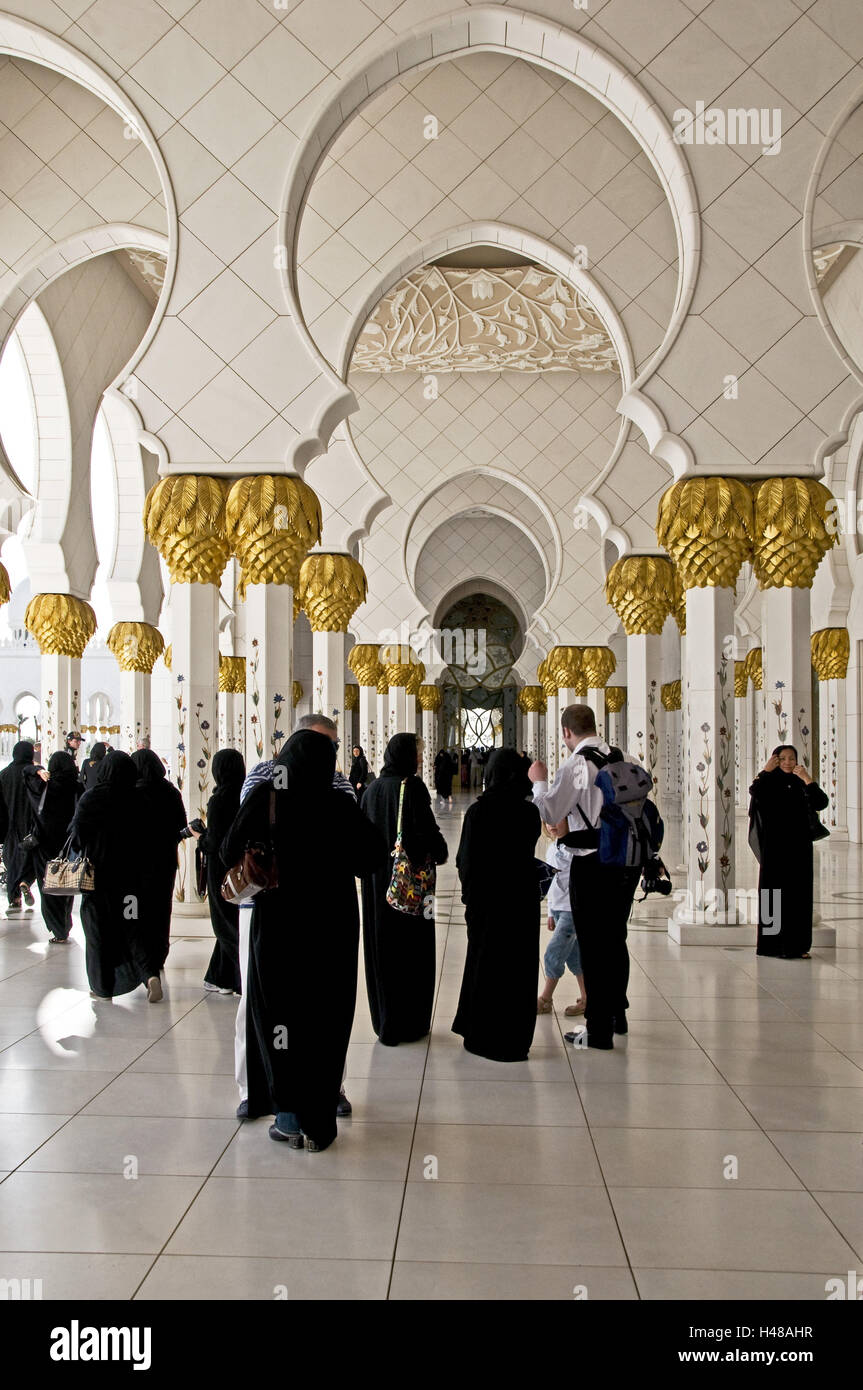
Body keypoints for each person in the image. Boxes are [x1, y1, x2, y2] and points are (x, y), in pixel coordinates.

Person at [222, 730, 388, 1151]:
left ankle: (290, 1118)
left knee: (281, 1016)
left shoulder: (267, 798)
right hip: (331, 928)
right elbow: (372, 857)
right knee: (326, 1018)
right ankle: (320, 1124)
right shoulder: (338, 804)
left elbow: (226, 850)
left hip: (279, 926)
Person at [232, 713, 357, 1121]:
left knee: (320, 1005)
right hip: (264, 908)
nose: (328, 753)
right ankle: (256, 1088)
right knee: (260, 1000)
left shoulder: (337, 784)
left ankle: (327, 1087)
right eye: (323, 743)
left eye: (333, 746)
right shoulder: (262, 777)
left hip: (316, 914)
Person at [530, 704, 641, 1050]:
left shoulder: (578, 764)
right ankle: (616, 1015)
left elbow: (550, 810)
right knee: (614, 938)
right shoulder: (623, 756)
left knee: (593, 944)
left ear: (566, 732)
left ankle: (598, 1030)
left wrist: (539, 782)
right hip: (626, 861)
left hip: (592, 863)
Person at [453, 748, 541, 1061]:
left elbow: (465, 861)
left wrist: (469, 898)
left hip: (487, 901)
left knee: (485, 963)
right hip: (520, 901)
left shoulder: (479, 812)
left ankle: (481, 1033)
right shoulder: (529, 812)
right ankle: (514, 1037)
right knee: (517, 966)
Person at [361, 733, 448, 1046]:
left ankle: (385, 1021)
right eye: (418, 753)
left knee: (381, 949)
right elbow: (427, 836)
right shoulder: (411, 787)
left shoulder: (370, 790)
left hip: (376, 884)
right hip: (409, 889)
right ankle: (409, 1021)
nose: (420, 759)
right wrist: (439, 851)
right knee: (410, 951)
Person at [71, 749, 162, 1002]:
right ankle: (150, 975)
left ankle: (102, 989)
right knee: (134, 928)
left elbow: (77, 835)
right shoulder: (139, 799)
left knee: (97, 931)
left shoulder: (92, 799)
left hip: (98, 880)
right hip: (131, 880)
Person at [749, 745, 829, 960]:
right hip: (775, 849)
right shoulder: (768, 782)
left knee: (798, 896)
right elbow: (755, 792)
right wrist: (765, 771)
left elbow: (822, 802)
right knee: (772, 895)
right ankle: (770, 944)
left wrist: (807, 778)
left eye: (791, 758)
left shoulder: (800, 783)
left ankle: (798, 945)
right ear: (775, 760)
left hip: (799, 848)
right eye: (782, 758)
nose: (787, 762)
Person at [131, 748, 190, 972]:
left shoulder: (131, 793)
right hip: (164, 860)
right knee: (161, 907)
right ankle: (159, 954)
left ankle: (141, 955)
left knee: (138, 907)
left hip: (137, 862)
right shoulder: (170, 792)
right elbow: (181, 827)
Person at [192, 747, 245, 994]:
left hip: (220, 870)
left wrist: (199, 837)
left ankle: (244, 976)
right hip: (241, 869)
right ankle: (221, 978)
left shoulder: (219, 799)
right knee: (231, 920)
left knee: (224, 923)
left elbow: (214, 842)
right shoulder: (246, 794)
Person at [23, 750, 80, 942]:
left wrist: (37, 769)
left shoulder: (44, 787)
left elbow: (25, 773)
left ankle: (58, 931)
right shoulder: (78, 787)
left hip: (46, 846)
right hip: (69, 845)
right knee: (65, 889)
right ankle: (65, 925)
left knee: (49, 889)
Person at [536, 818, 586, 1017]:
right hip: (559, 909)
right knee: (575, 956)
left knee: (553, 954)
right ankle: (586, 997)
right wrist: (550, 911)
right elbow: (552, 882)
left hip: (572, 910)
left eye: (558, 820)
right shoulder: (552, 848)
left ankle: (545, 998)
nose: (553, 825)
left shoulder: (575, 849)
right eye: (548, 821)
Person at [0, 741, 38, 913]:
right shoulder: (34, 774)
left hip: (8, 824)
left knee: (11, 860)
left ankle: (14, 898)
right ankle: (25, 881)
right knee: (31, 859)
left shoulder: (4, 774)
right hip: (30, 825)